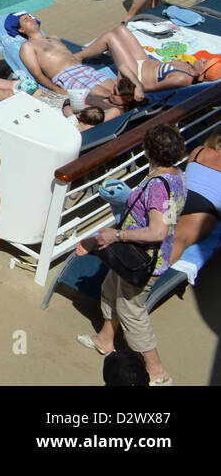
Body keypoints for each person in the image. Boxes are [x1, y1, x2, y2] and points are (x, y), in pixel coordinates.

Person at [74, 124, 186, 386]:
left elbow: (158, 230)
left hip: (140, 258)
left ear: (149, 151)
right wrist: (130, 197)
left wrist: (118, 235)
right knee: (110, 288)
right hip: (138, 255)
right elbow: (159, 214)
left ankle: (157, 371)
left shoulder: (159, 185)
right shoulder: (176, 176)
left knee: (131, 312)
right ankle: (105, 340)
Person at [74, 24, 221, 101]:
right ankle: (95, 50)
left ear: (203, 72)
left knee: (110, 37)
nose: (202, 58)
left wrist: (135, 86)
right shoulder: (188, 66)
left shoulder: (183, 78)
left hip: (136, 73)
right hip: (144, 61)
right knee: (121, 29)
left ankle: (78, 57)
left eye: (205, 62)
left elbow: (151, 88)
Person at [170, 130, 221, 266]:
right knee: (179, 240)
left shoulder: (199, 151)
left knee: (158, 231)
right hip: (204, 206)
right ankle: (149, 277)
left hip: (179, 196)